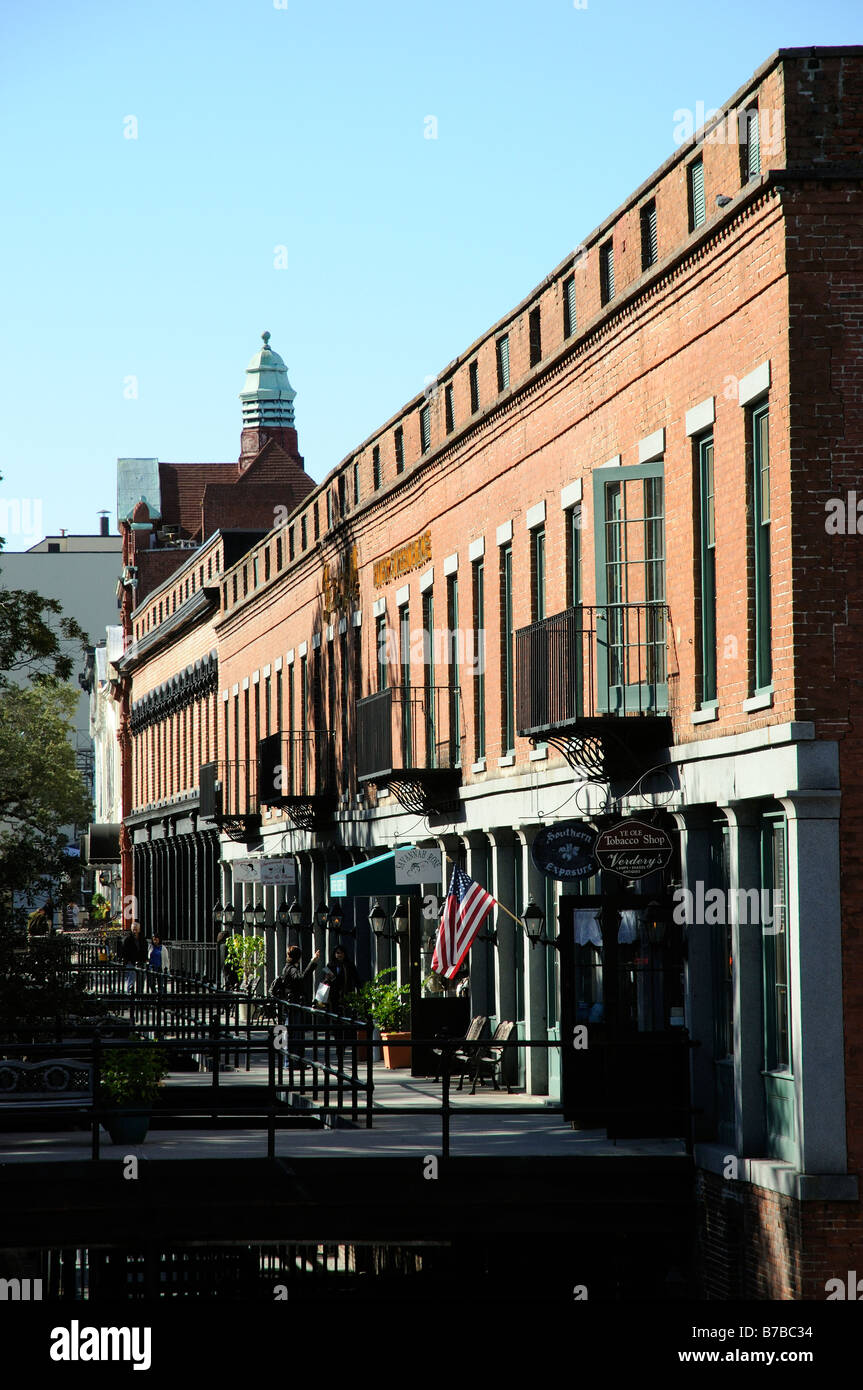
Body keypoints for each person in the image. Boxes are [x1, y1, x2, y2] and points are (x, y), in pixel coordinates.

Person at [322, 945, 360, 1013]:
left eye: (341, 953)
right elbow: (326, 981)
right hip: (333, 996)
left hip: (346, 994)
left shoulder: (349, 965)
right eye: (337, 953)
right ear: (335, 954)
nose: (340, 955)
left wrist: (359, 992)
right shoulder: (330, 965)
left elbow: (356, 979)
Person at [119, 923, 148, 994]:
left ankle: (140, 996)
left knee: (141, 981)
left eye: (136, 929)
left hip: (141, 962)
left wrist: (145, 959)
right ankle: (130, 997)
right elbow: (124, 952)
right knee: (131, 981)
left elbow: (145, 950)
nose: (135, 931)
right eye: (133, 929)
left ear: (139, 930)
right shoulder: (127, 939)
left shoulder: (143, 939)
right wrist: (126, 960)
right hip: (131, 962)